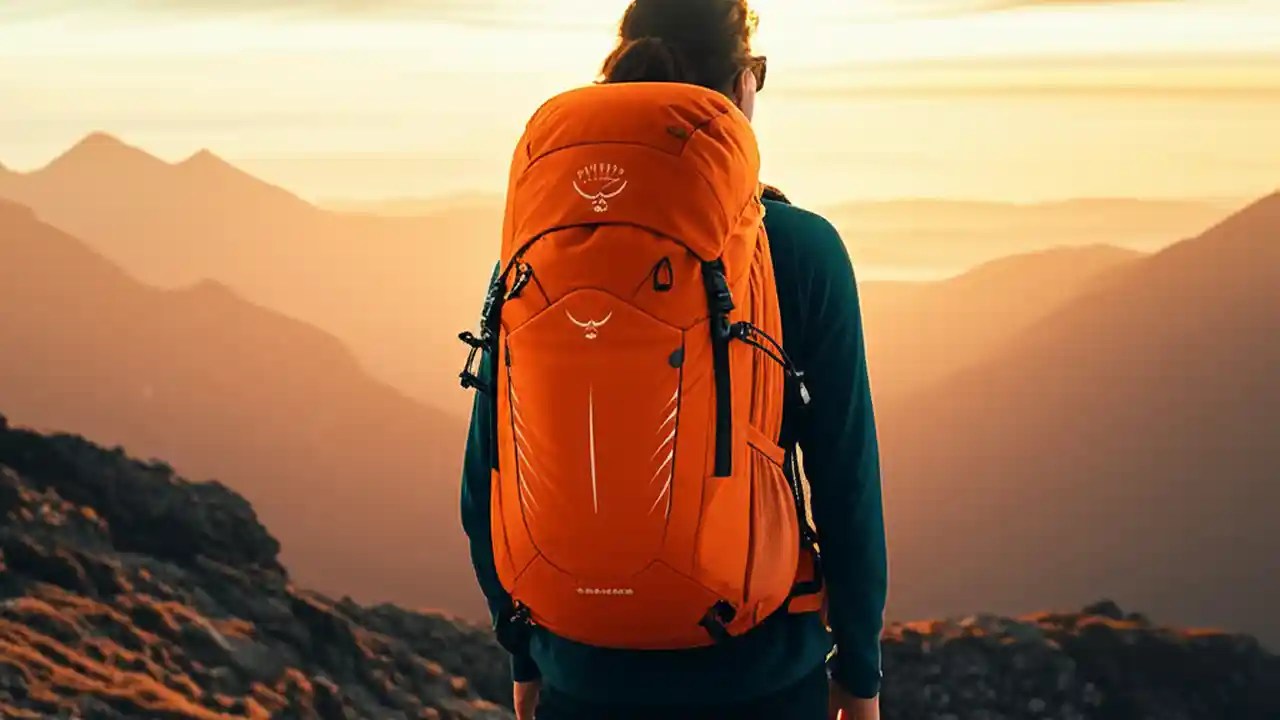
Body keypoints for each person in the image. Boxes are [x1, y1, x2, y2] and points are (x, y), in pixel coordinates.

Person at [459, 1, 886, 718]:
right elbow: (847, 484)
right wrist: (861, 673)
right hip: (760, 673)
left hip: (581, 672)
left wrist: (524, 653)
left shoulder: (532, 259)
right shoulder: (802, 248)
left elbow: (488, 476)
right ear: (738, 85)